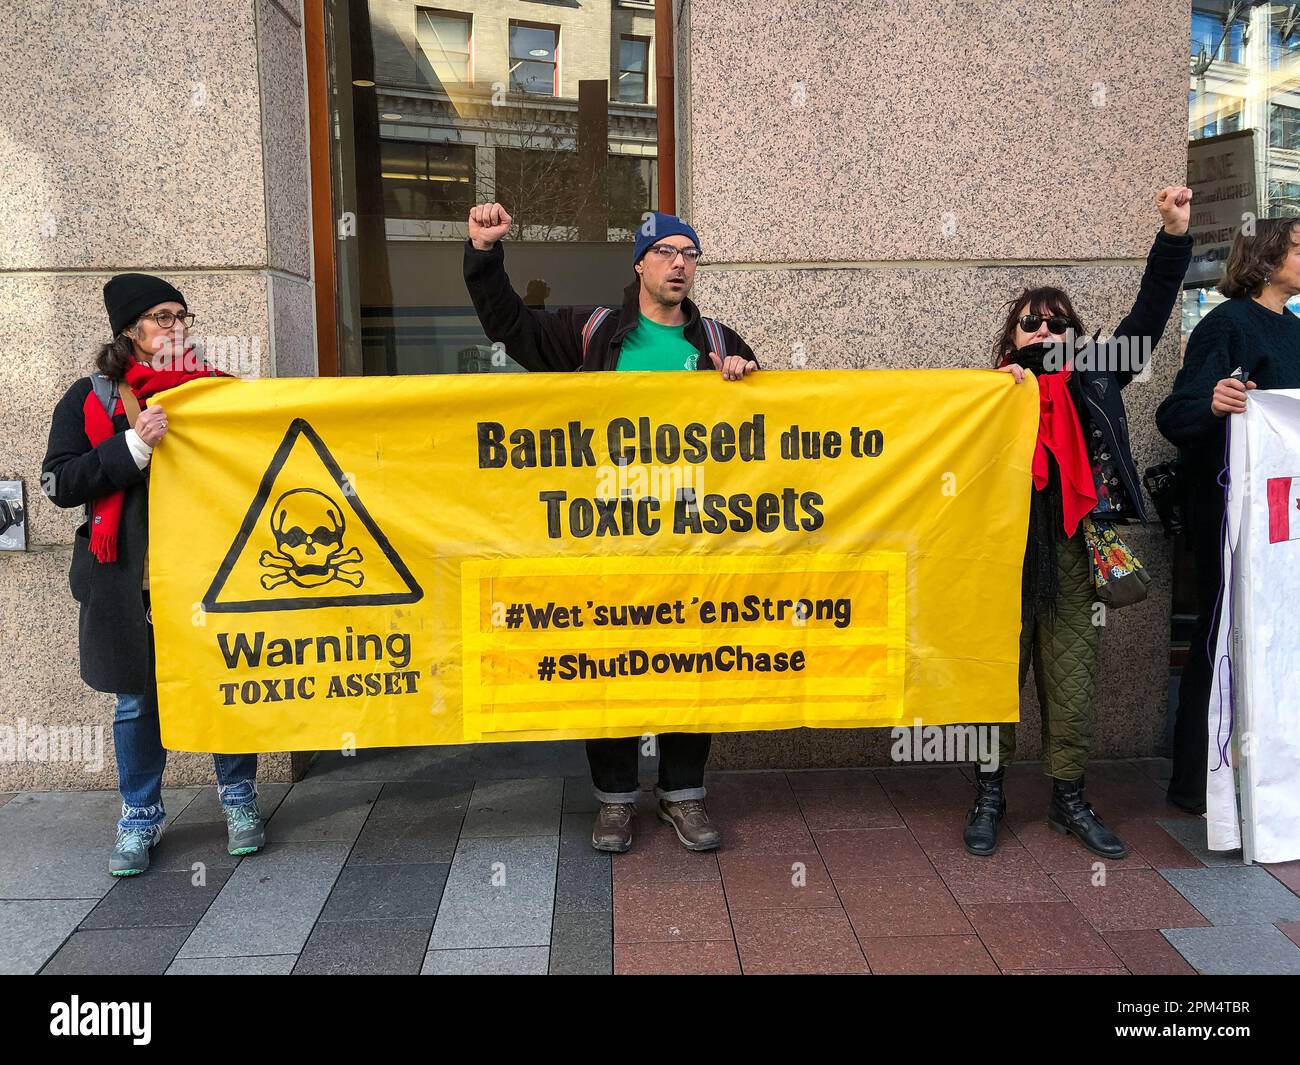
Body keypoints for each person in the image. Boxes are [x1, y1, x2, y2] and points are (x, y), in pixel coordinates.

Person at [463, 205, 758, 853]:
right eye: (667, 251)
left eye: (691, 253)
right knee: (610, 666)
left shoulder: (717, 340)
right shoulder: (596, 333)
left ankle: (684, 795)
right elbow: (512, 326)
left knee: (690, 665)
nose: (680, 262)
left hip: (691, 541)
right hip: (609, 539)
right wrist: (484, 255)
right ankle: (616, 801)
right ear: (640, 263)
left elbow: (765, 442)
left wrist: (746, 383)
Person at [963, 187, 1195, 858]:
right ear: (1010, 336)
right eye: (1031, 324)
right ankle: (988, 794)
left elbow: (1148, 320)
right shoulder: (979, 396)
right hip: (1000, 558)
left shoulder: (1095, 380)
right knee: (992, 681)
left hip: (1071, 551)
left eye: (1057, 325)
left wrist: (1173, 236)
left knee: (1072, 687)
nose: (1044, 334)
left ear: (1075, 338)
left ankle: (1068, 801)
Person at [41, 273, 264, 876]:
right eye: (163, 317)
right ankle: (140, 816)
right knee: (138, 702)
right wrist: (132, 448)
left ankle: (238, 798)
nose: (177, 327)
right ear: (129, 331)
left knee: (225, 683)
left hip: (208, 574)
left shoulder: (215, 392)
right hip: (128, 582)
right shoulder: (89, 400)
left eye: (182, 316)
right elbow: (58, 483)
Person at [1156, 217, 1300, 813]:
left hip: (1284, 518)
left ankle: (1266, 769)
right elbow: (1177, 413)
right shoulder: (1228, 324)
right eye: (1299, 246)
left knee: (1277, 636)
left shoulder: (1294, 329)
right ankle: (1196, 777)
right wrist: (1214, 401)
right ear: (1267, 259)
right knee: (1221, 633)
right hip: (1232, 513)